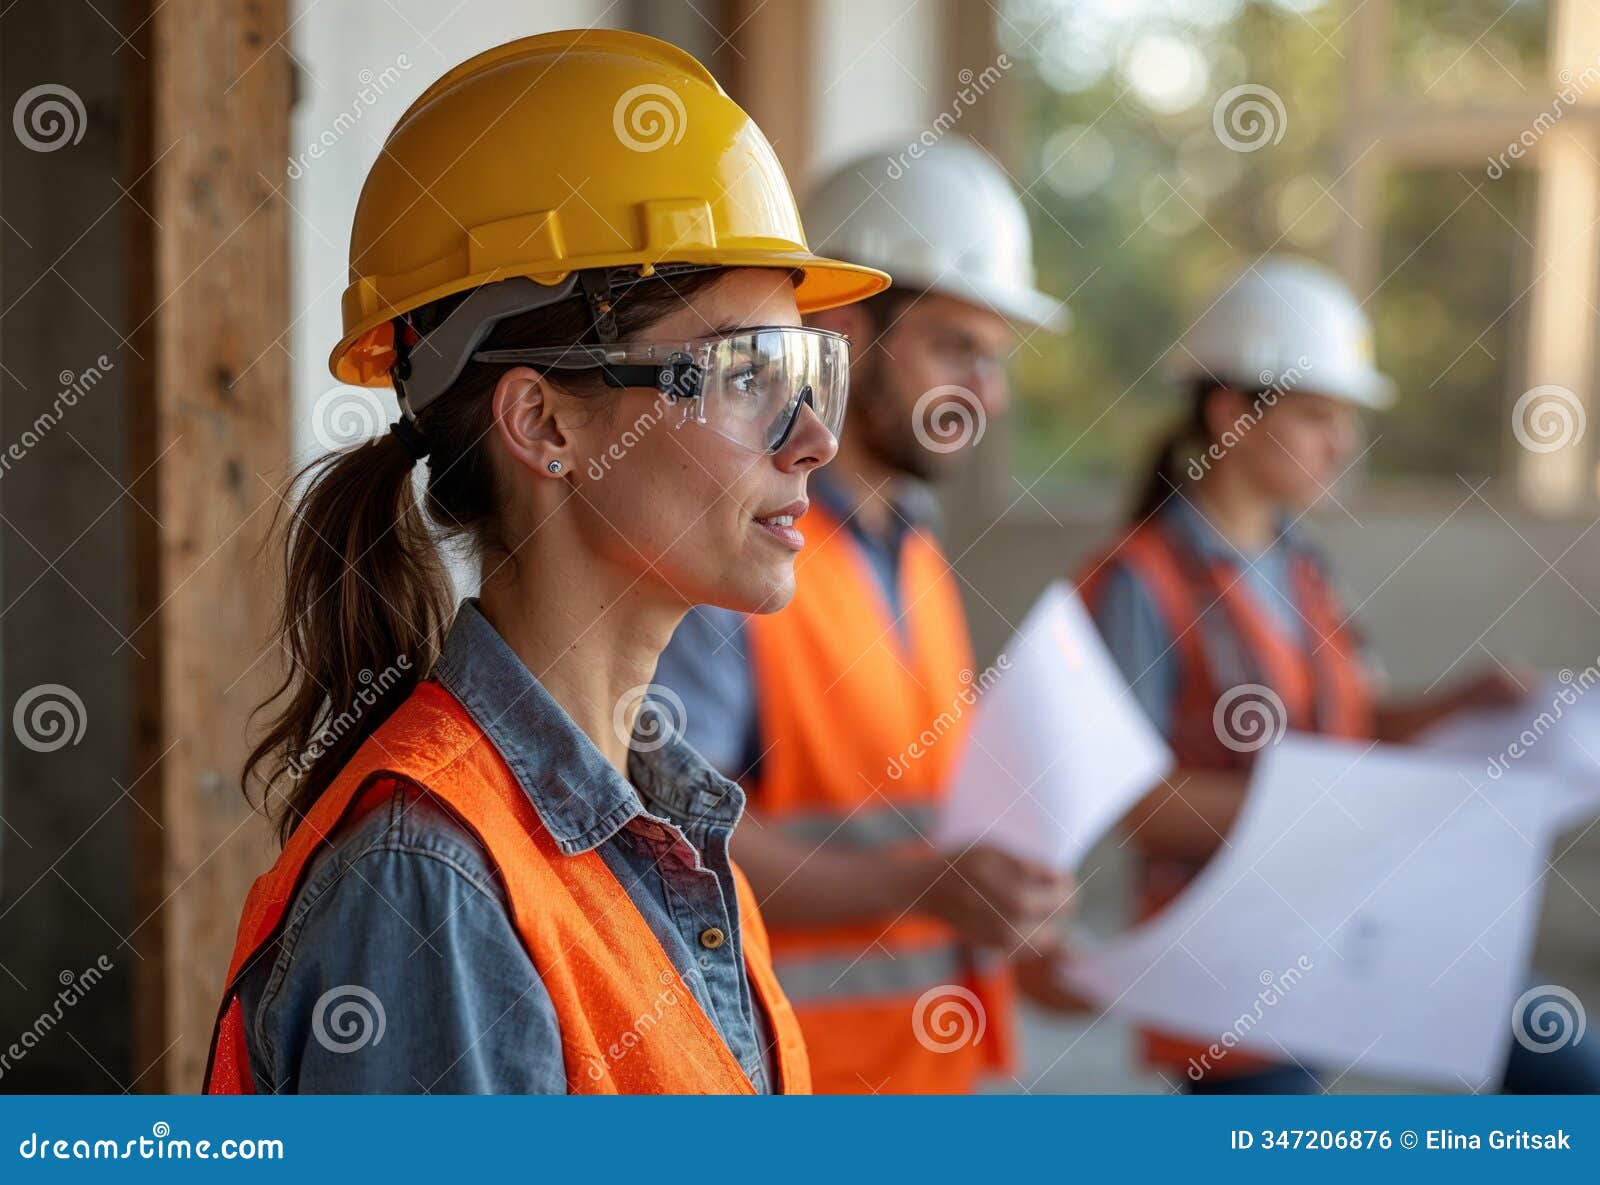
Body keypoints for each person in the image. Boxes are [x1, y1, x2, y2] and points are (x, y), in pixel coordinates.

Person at [201, 29, 895, 1095]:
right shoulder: (428, 887)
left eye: (810, 370)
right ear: (545, 425)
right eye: (748, 373)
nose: (814, 438)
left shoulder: (673, 839)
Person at [1078, 255, 1600, 1094]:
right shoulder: (1137, 582)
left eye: (1345, 418)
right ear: (1229, 415)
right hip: (1229, 977)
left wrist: (1459, 704)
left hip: (1351, 922)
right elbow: (1133, 804)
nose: (1342, 443)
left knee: (1572, 1069)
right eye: (1318, 414)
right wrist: (1325, 810)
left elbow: (1350, 725)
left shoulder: (1302, 567)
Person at [652, 136, 1078, 1095]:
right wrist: (923, 888)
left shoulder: (915, 550)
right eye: (957, 346)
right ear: (842, 329)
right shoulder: (733, 549)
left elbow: (916, 820)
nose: (990, 390)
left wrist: (1018, 923)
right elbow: (675, 847)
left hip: (930, 1078)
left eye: (995, 356)